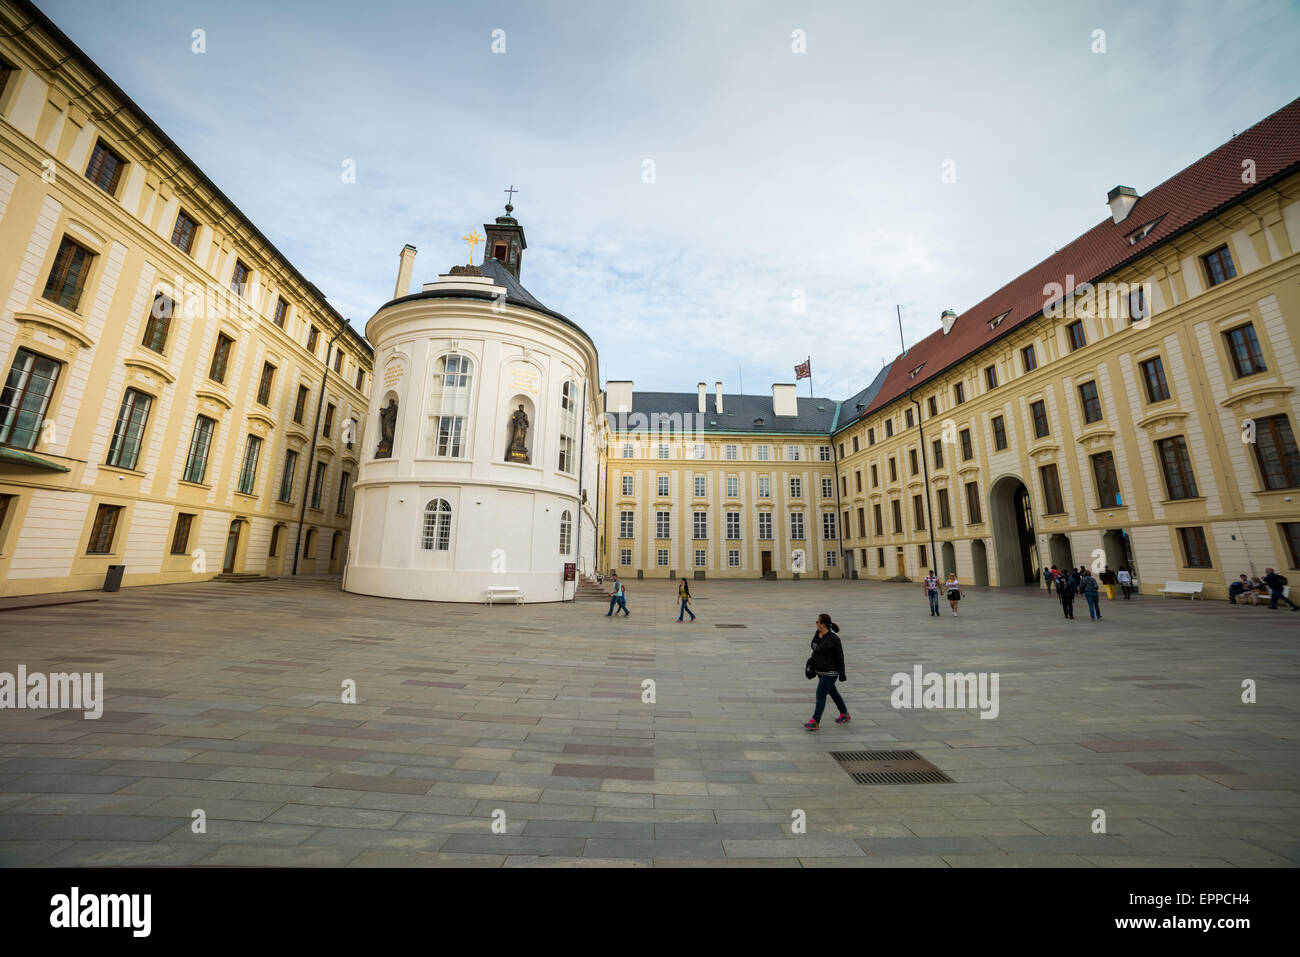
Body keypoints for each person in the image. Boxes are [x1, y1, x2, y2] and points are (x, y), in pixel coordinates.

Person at [803, 613, 848, 731]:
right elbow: (813, 645)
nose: (816, 623)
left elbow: (840, 656)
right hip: (820, 670)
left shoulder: (834, 639)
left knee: (820, 695)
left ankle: (815, 721)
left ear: (823, 624)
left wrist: (842, 674)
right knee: (833, 692)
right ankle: (844, 714)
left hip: (830, 672)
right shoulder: (817, 634)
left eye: (817, 622)